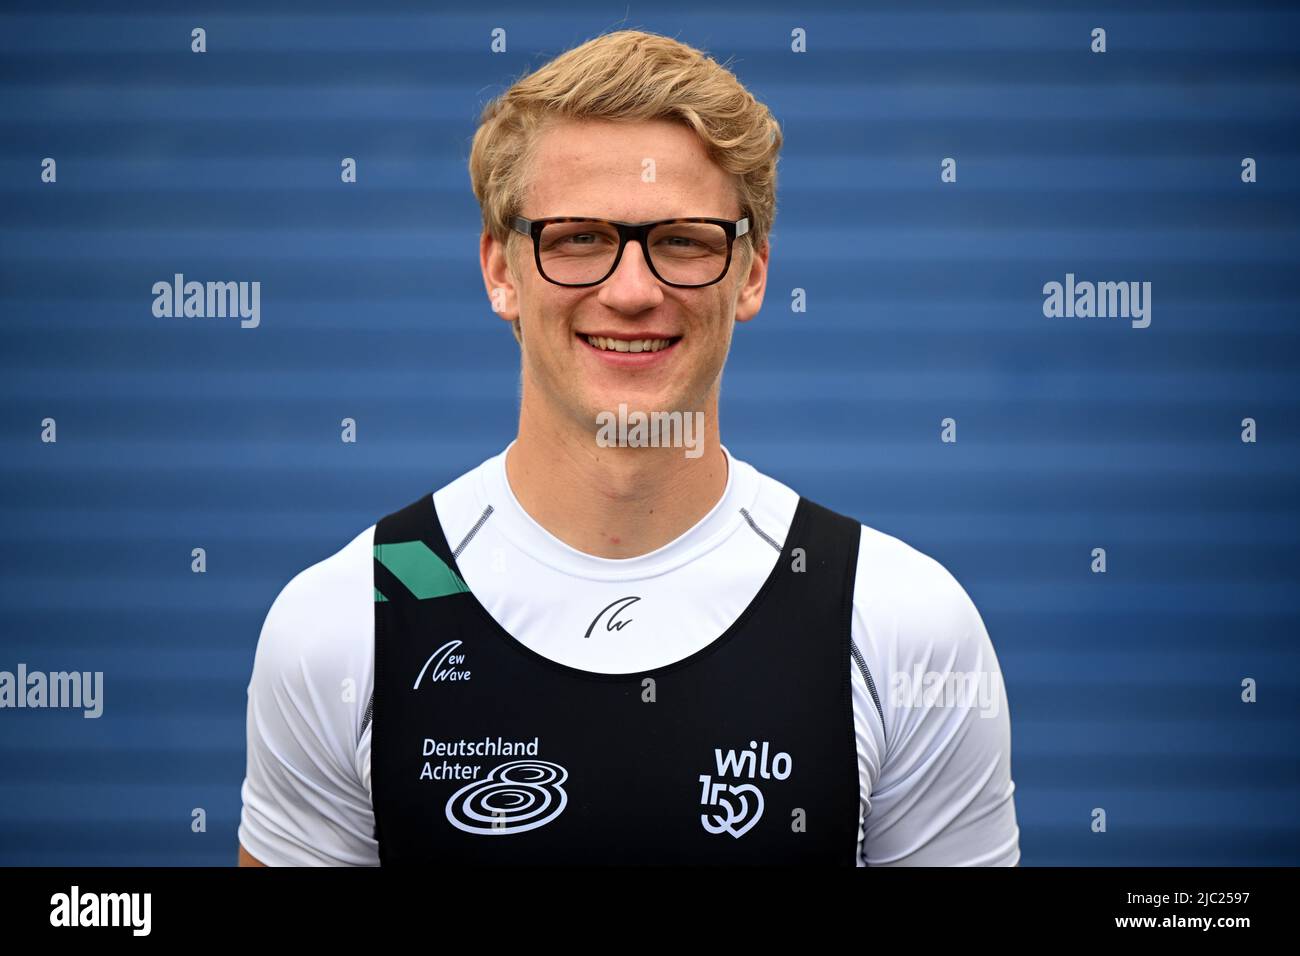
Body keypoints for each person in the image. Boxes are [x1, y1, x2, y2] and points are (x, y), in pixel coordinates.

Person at [238, 29, 1019, 866]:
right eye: (577, 239)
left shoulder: (900, 622)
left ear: (751, 273)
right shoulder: (347, 621)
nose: (633, 291)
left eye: (684, 240)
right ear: (501, 270)